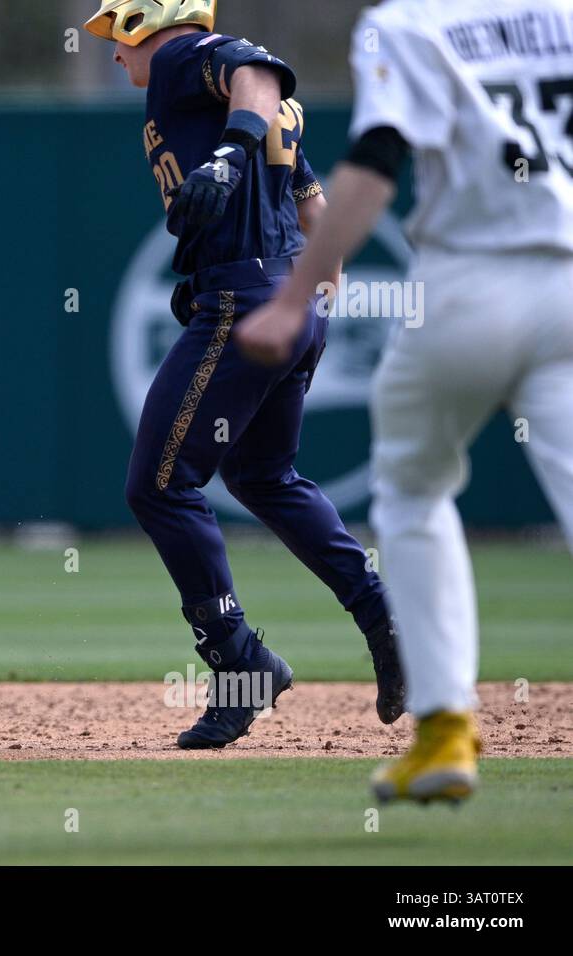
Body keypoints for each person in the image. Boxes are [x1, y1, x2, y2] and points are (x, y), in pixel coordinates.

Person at [237, 0, 573, 801]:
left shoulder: (411, 20)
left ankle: (447, 730)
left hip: (468, 282)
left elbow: (376, 164)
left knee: (415, 493)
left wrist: (293, 297)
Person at [84, 0, 405, 748]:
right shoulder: (246, 111)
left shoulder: (177, 60)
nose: (111, 52)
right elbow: (318, 211)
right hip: (290, 294)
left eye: (114, 33)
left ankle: (239, 662)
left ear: (146, 19)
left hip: (247, 296)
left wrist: (227, 162)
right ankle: (381, 613)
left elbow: (257, 73)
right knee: (265, 478)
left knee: (158, 485)